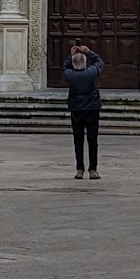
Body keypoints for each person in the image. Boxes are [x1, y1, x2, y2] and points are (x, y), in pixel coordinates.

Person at [62, 41, 104, 180]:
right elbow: (99, 62)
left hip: (76, 110)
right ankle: (93, 169)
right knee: (93, 141)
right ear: (85, 63)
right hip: (92, 109)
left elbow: (65, 67)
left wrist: (71, 55)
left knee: (78, 140)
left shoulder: (70, 75)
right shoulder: (91, 73)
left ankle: (79, 169)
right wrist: (88, 52)